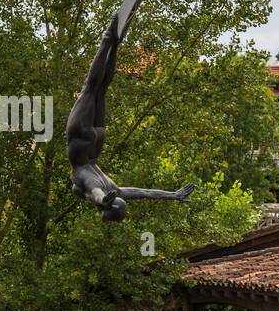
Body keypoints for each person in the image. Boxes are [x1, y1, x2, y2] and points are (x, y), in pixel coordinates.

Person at [66, 17, 196, 221]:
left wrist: (102, 201)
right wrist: (172, 195)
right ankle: (112, 41)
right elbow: (142, 193)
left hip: (90, 141)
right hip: (84, 144)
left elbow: (102, 195)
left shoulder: (103, 190)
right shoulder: (109, 190)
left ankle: (110, 40)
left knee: (95, 90)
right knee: (95, 90)